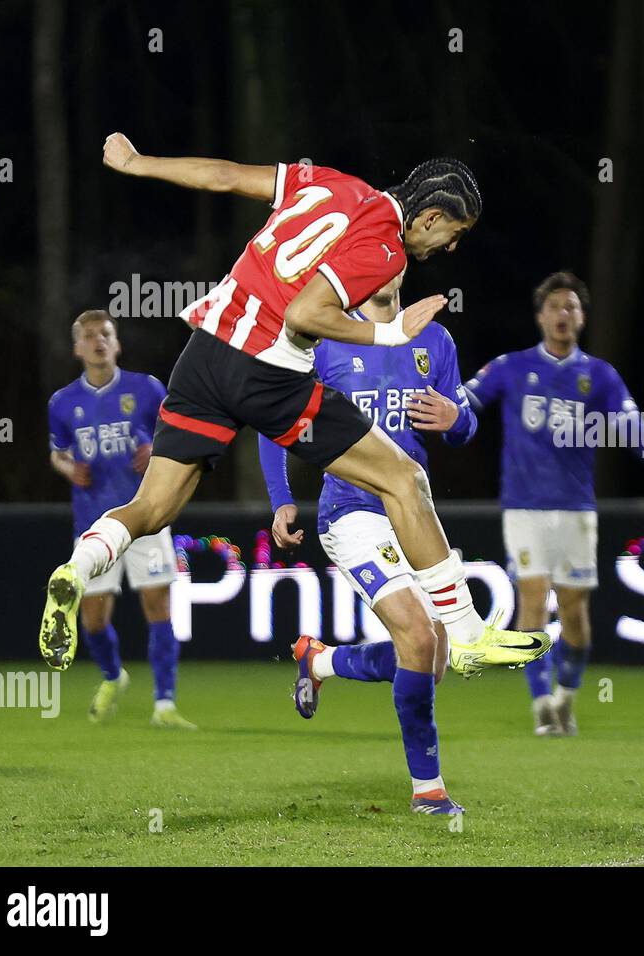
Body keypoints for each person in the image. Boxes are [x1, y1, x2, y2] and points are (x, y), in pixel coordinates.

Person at [39, 135, 552, 725]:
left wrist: (138, 163)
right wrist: (392, 335)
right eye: (453, 232)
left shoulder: (330, 182)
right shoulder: (388, 249)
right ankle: (464, 633)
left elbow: (226, 175)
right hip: (270, 374)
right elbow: (306, 315)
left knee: (150, 508)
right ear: (430, 216)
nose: (452, 246)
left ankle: (77, 569)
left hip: (204, 358)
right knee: (404, 478)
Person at [464, 271, 644, 736]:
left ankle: (565, 698)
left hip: (576, 509)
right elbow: (463, 407)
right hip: (524, 506)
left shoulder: (598, 376)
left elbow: (636, 433)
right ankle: (541, 705)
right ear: (540, 316)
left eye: (571, 306)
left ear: (581, 317)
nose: (563, 313)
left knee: (575, 612)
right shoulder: (511, 367)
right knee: (533, 600)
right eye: (555, 306)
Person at [258, 273, 474, 813]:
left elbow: (463, 425)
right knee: (420, 640)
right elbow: (271, 418)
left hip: (412, 516)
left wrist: (457, 418)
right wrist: (282, 495)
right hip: (350, 512)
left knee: (432, 658)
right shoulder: (329, 336)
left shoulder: (434, 340)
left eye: (396, 257)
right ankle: (429, 790)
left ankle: (320, 662)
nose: (388, 267)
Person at [48, 310, 196, 729]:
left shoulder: (146, 390)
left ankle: (164, 703)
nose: (98, 341)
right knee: (92, 618)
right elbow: (58, 452)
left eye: (105, 334)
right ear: (78, 347)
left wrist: (157, 450)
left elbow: (178, 431)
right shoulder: (63, 403)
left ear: (117, 343)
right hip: (94, 525)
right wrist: (66, 468)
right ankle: (114, 676)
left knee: (158, 605)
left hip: (146, 515)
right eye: (90, 336)